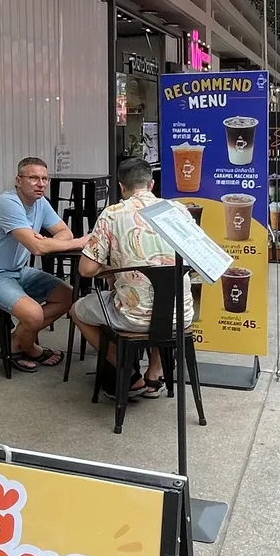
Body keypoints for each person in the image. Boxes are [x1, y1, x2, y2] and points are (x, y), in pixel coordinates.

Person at [71, 158, 193, 398]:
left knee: (77, 310)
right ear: (152, 184)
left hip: (134, 318)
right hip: (182, 316)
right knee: (162, 298)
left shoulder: (112, 214)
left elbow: (85, 269)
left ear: (121, 187)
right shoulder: (178, 210)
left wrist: (112, 263)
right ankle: (155, 373)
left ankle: (127, 370)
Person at [0, 157, 88, 372]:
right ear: (18, 180)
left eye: (44, 178)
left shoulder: (40, 203)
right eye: (33, 178)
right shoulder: (8, 204)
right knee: (34, 315)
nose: (41, 184)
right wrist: (78, 242)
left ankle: (15, 342)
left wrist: (47, 242)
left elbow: (64, 232)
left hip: (18, 270)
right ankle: (29, 347)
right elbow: (38, 249)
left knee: (69, 296)